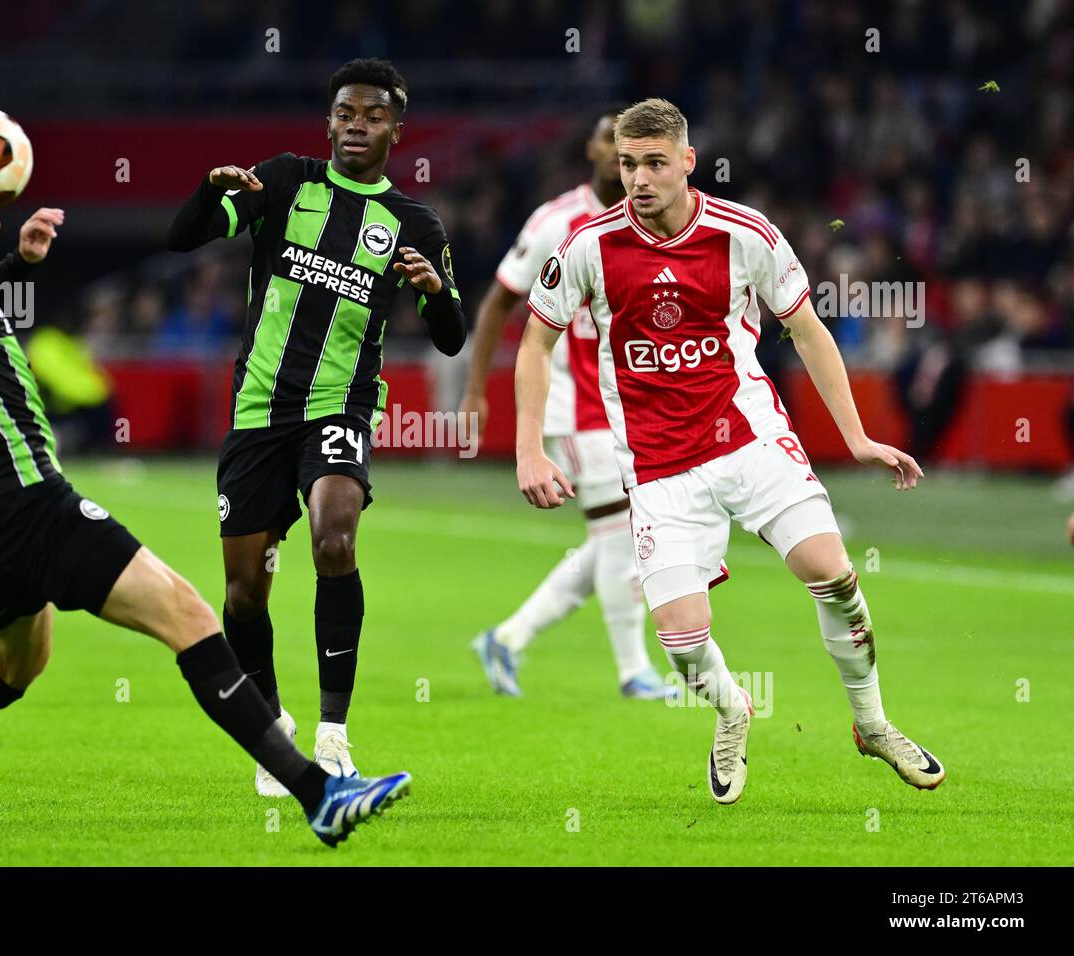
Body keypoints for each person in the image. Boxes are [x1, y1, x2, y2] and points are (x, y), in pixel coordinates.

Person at [0, 137, 409, 847]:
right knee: (190, 615)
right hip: (26, 501)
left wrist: (23, 262)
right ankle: (318, 793)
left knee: (15, 664)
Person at [515, 99, 945, 805]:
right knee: (682, 641)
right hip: (656, 466)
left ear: (687, 162)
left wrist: (857, 437)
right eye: (628, 164)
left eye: (655, 163)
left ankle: (871, 722)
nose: (640, 179)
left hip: (748, 439)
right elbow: (535, 342)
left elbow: (806, 330)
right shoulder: (587, 247)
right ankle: (731, 711)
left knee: (832, 572)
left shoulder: (745, 233)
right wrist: (530, 450)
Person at [167, 59, 465, 795]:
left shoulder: (414, 223)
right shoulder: (288, 182)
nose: (355, 125)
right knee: (243, 593)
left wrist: (433, 293)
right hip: (258, 410)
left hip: (339, 405)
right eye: (344, 113)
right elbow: (184, 239)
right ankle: (273, 730)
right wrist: (208, 193)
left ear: (397, 128)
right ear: (328, 121)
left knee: (335, 540)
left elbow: (452, 336)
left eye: (371, 115)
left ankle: (334, 734)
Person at [460, 107, 683, 700]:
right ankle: (634, 670)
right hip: (573, 402)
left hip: (632, 402)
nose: (618, 152)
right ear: (591, 150)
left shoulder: (654, 220)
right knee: (621, 533)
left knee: (617, 536)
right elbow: (498, 303)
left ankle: (507, 638)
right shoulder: (557, 221)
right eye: (609, 141)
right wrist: (476, 388)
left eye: (630, 144)